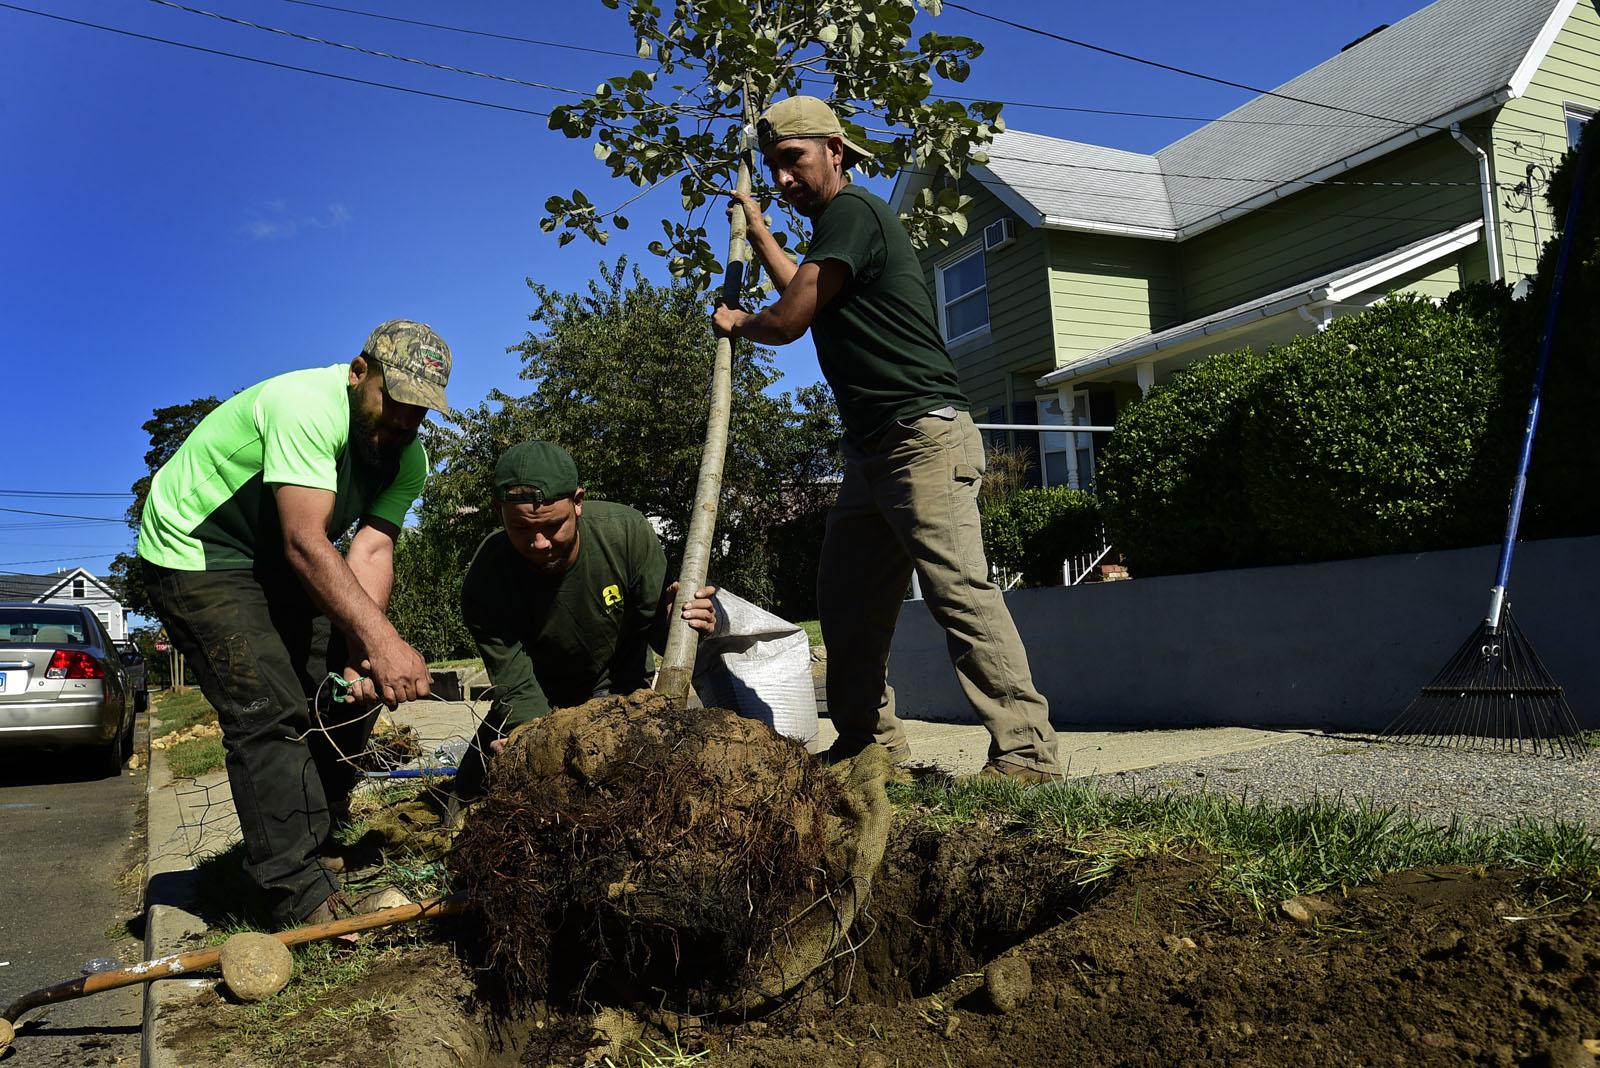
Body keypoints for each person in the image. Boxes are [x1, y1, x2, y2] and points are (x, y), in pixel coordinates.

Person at [712, 96, 1061, 783]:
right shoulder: (837, 236)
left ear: (834, 151)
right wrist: (760, 236)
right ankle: (872, 750)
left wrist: (735, 321)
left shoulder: (856, 211)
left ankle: (1028, 755)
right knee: (845, 605)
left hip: (922, 435)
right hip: (872, 450)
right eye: (774, 167)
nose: (784, 180)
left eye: (794, 161)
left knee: (958, 593)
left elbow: (785, 322)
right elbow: (807, 300)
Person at [138, 320, 451, 926]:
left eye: (420, 411)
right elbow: (307, 541)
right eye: (394, 401)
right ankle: (295, 892)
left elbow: (372, 550)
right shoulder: (306, 406)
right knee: (269, 709)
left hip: (279, 557)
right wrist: (383, 642)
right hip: (200, 551)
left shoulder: (408, 459)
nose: (403, 422)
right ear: (360, 373)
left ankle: (320, 834)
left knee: (347, 688)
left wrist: (367, 648)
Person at [454, 441, 718, 793]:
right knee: (468, 792)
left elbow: (654, 635)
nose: (540, 543)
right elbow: (515, 684)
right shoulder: (485, 578)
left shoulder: (626, 535)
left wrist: (680, 621)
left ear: (578, 502)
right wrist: (530, 743)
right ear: (498, 511)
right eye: (520, 528)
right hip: (540, 696)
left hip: (619, 692)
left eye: (552, 526)